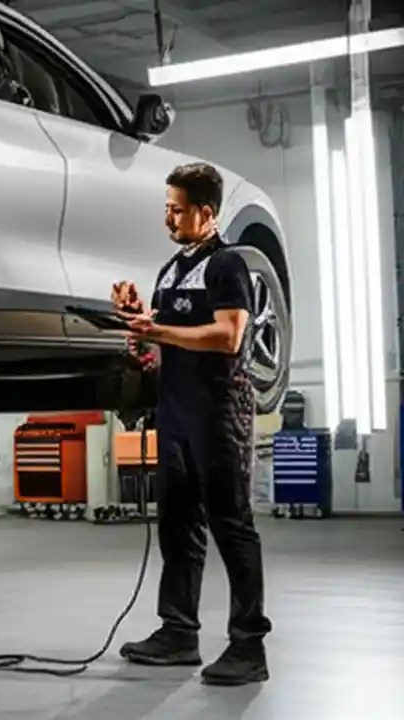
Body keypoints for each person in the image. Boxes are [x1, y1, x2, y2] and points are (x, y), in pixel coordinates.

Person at [111, 162, 272, 687]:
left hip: (220, 410)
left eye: (177, 210)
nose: (169, 219)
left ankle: (248, 646)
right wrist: (140, 331)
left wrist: (158, 328)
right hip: (175, 411)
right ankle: (178, 632)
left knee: (231, 524)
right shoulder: (170, 272)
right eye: (166, 208)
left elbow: (228, 337)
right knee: (178, 525)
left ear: (206, 212)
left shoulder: (228, 267)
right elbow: (159, 350)